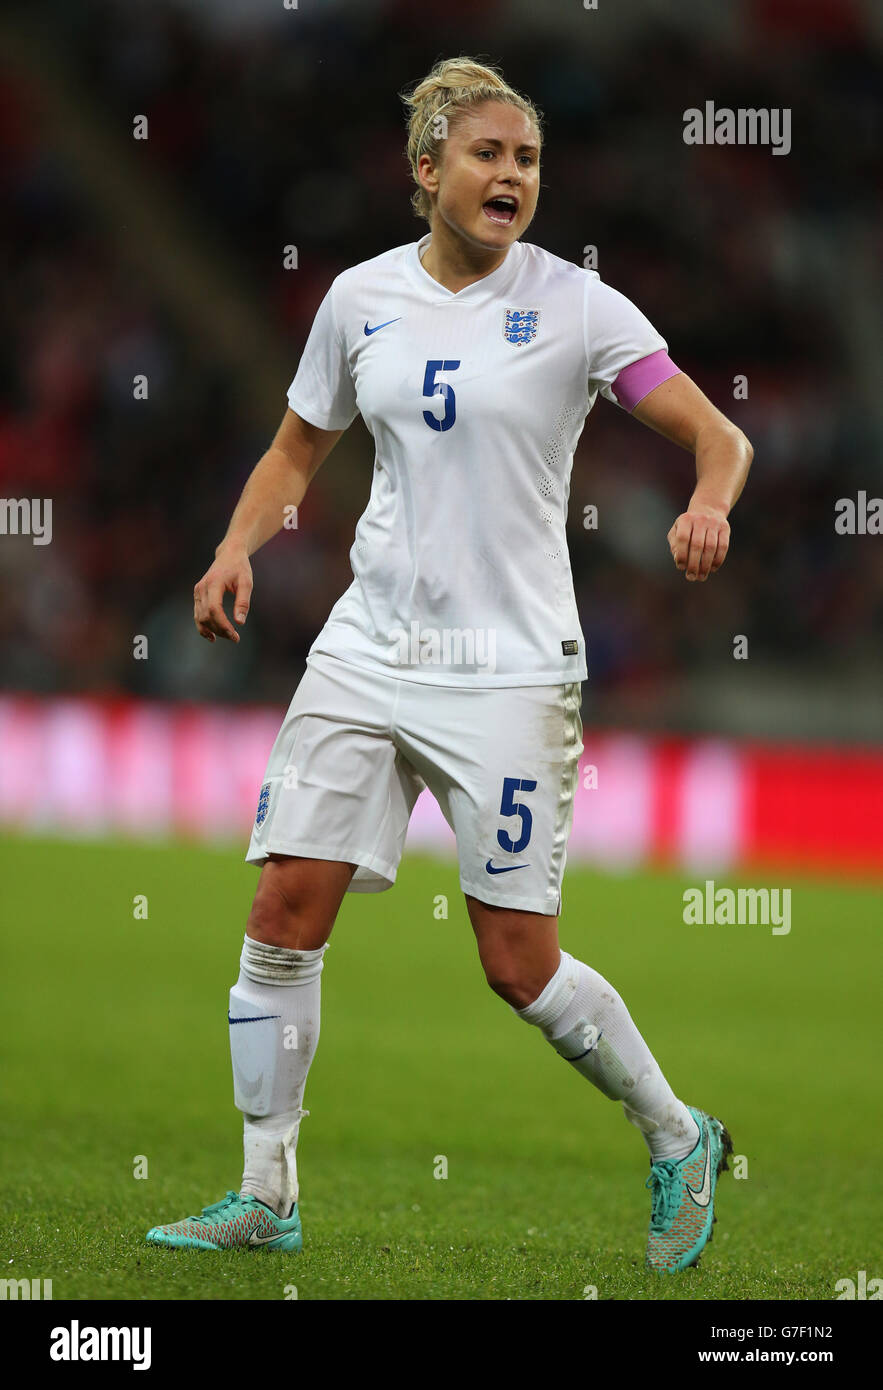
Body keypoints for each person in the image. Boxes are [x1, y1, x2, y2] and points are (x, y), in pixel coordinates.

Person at [146, 56, 752, 1274]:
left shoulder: (581, 307)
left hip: (511, 669)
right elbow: (292, 454)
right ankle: (267, 1192)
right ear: (426, 172)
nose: (511, 176)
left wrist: (710, 500)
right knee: (281, 910)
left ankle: (676, 1133)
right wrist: (233, 546)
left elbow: (715, 431)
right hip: (369, 648)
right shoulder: (357, 301)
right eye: (486, 155)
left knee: (514, 963)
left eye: (526, 159)